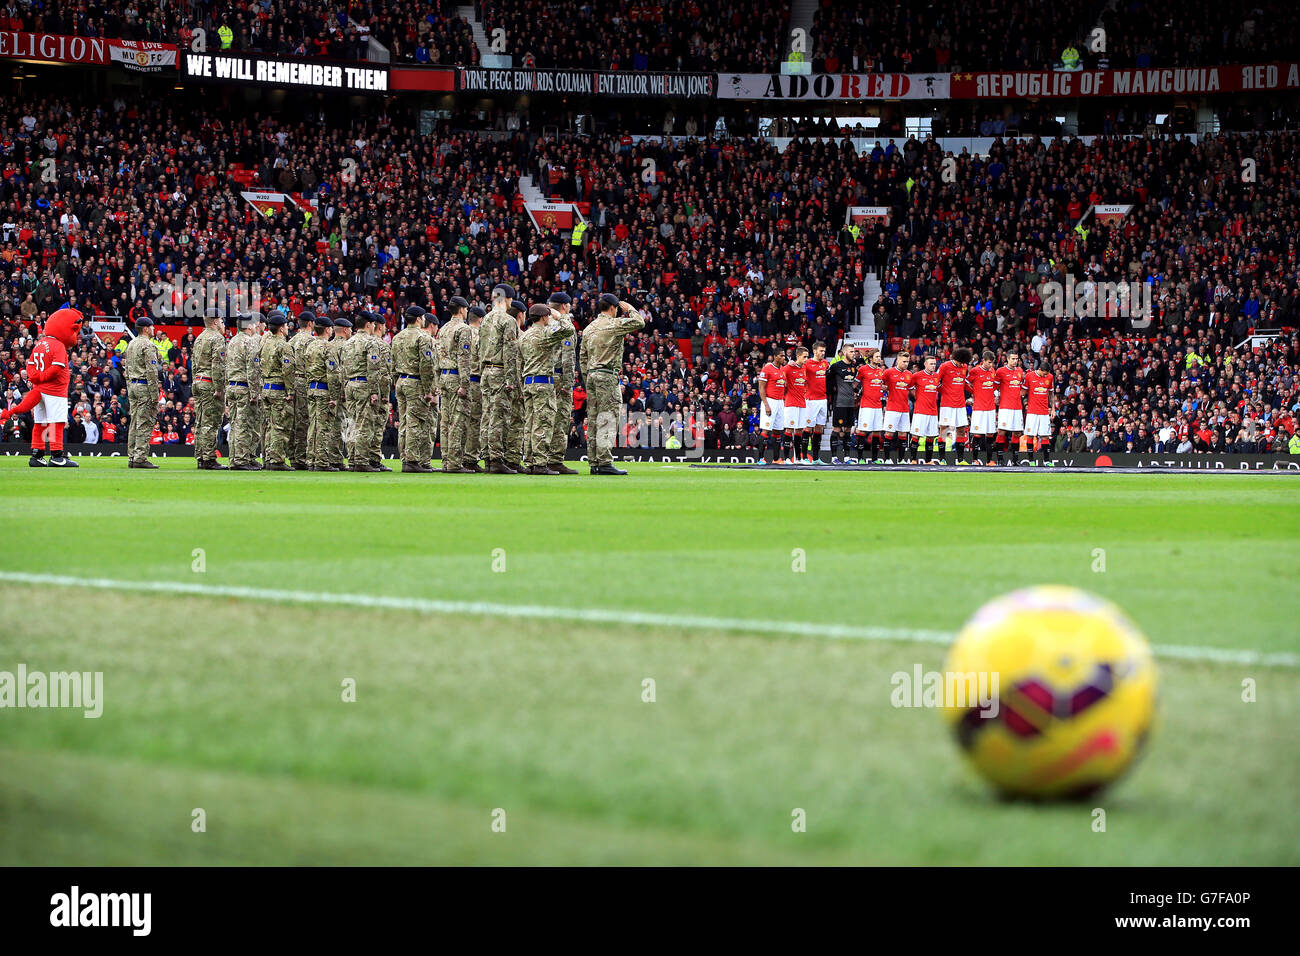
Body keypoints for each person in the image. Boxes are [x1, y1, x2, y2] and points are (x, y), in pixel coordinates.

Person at [0, 306, 83, 467]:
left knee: (40, 423)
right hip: (54, 391)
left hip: (39, 390)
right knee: (56, 422)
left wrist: (35, 378)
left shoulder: (40, 343)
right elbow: (57, 367)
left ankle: (37, 455)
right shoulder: (58, 345)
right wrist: (43, 377)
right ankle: (57, 456)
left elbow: (29, 365)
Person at [579, 293, 644, 475]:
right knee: (608, 417)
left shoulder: (589, 328)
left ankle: (594, 462)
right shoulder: (613, 324)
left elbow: (582, 357)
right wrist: (629, 308)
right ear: (614, 308)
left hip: (591, 376)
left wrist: (587, 379)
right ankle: (605, 462)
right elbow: (640, 322)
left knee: (593, 419)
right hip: (607, 375)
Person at [519, 303, 575, 474]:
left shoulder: (524, 336)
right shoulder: (545, 333)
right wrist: (560, 316)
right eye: (548, 316)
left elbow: (519, 362)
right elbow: (568, 330)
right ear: (544, 317)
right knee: (544, 422)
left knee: (530, 423)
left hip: (528, 382)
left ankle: (529, 461)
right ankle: (541, 463)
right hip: (543, 382)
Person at [478, 284, 522, 473]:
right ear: (508, 299)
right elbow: (510, 352)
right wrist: (511, 380)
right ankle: (496, 459)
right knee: (499, 416)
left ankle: (487, 457)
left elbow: (480, 347)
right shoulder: (508, 320)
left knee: (487, 414)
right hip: (500, 370)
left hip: (486, 370)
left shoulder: (485, 319)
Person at [392, 304, 434, 472]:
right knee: (415, 422)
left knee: (404, 421)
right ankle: (411, 460)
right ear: (418, 319)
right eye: (423, 317)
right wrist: (428, 389)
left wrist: (397, 380)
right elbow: (427, 365)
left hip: (401, 381)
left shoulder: (397, 337)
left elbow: (393, 363)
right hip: (415, 382)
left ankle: (404, 456)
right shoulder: (423, 337)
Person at [436, 296, 473, 473]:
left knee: (445, 421)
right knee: (458, 421)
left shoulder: (443, 329)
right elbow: (464, 358)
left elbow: (438, 356)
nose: (467, 312)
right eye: (466, 309)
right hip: (457, 377)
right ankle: (455, 463)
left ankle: (445, 460)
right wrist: (465, 384)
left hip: (444, 375)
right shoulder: (463, 329)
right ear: (461, 309)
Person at [544, 292, 579, 474]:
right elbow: (568, 356)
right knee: (560, 419)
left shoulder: (543, 323)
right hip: (559, 377)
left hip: (543, 376)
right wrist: (568, 383)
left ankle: (540, 457)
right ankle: (555, 459)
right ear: (564, 306)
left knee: (544, 417)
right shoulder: (565, 325)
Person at [122, 316, 163, 469]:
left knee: (134, 421)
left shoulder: (131, 344)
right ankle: (140, 457)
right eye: (152, 327)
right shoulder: (148, 345)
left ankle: (132, 456)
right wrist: (155, 395)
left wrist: (129, 386)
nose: (154, 329)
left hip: (132, 385)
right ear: (146, 329)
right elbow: (152, 372)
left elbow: (126, 369)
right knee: (145, 422)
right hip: (144, 386)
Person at [225, 311, 264, 470]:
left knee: (235, 423)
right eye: (254, 324)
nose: (256, 327)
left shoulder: (232, 341)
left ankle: (238, 457)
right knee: (244, 424)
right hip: (244, 387)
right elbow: (253, 370)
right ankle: (241, 460)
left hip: (232, 386)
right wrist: (255, 393)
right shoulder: (250, 343)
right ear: (249, 326)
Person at [258, 311, 296, 471]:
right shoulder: (284, 345)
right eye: (286, 326)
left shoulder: (265, 343)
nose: (288, 328)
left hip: (266, 387)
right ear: (281, 328)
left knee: (270, 425)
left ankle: (268, 458)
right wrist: (291, 391)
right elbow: (288, 370)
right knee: (280, 426)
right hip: (279, 389)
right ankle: (277, 460)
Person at [191, 308, 228, 470]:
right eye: (221, 320)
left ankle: (200, 456)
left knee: (200, 421)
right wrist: (219, 388)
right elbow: (218, 365)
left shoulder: (199, 338)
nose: (222, 323)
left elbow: (193, 364)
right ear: (215, 322)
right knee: (211, 422)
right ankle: (209, 458)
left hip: (198, 381)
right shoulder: (217, 338)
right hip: (209, 382)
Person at [303, 312, 337, 471]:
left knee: (313, 425)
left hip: (311, 388)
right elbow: (332, 372)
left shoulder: (310, 345)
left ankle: (311, 459)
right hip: (324, 390)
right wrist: (335, 396)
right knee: (323, 426)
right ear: (328, 329)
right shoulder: (329, 346)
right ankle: (322, 461)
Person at [936, 346, 973, 463]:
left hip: (961, 404)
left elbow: (963, 383)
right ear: (955, 358)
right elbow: (935, 381)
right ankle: (942, 458)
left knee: (961, 430)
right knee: (944, 430)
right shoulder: (944, 366)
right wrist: (945, 391)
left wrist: (975, 392)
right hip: (947, 404)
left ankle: (961, 459)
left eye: (963, 363)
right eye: (960, 362)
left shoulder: (964, 366)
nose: (961, 365)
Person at [288, 311, 315, 469]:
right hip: (305, 381)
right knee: (305, 420)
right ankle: (301, 456)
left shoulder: (291, 340)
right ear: (310, 324)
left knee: (293, 420)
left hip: (292, 381)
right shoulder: (311, 341)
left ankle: (293, 455)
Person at [325, 318, 352, 470]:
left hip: (327, 389)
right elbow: (342, 371)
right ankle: (336, 458)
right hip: (341, 391)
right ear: (345, 329)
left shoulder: (328, 345)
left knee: (331, 424)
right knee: (340, 424)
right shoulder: (346, 346)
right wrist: (340, 392)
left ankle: (331, 456)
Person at [463, 305, 486, 472]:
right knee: (475, 422)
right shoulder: (480, 335)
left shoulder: (461, 332)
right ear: (481, 319)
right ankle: (470, 457)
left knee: (459, 420)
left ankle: (456, 456)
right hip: (476, 380)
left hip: (460, 381)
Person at [854, 347, 887, 463]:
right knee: (862, 431)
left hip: (878, 406)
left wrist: (884, 388)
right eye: (877, 356)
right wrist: (854, 394)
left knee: (877, 431)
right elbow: (855, 384)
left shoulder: (880, 371)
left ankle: (874, 459)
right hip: (866, 405)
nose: (879, 359)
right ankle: (860, 458)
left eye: (880, 357)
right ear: (871, 358)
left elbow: (879, 385)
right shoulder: (863, 369)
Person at [993, 351, 1026, 466]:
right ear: (1007, 359)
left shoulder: (1020, 371)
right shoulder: (1000, 371)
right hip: (1005, 407)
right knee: (1002, 431)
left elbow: (1022, 387)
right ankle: (1000, 459)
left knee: (1017, 433)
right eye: (1013, 359)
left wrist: (1021, 394)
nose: (1015, 361)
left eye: (1016, 359)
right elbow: (994, 386)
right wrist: (996, 396)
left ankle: (1015, 460)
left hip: (1017, 407)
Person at [881, 352, 913, 464]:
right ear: (898, 360)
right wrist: (883, 388)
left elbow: (912, 389)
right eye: (904, 361)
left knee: (903, 434)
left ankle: (901, 460)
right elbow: (879, 382)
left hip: (904, 408)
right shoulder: (889, 372)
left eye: (907, 362)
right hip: (892, 408)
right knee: (889, 434)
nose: (906, 364)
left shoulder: (909, 374)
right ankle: (887, 459)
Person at [909, 355, 941, 463]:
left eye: (934, 364)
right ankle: (913, 459)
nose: (933, 366)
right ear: (925, 364)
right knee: (916, 436)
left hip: (933, 411)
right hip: (920, 411)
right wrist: (916, 396)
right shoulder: (917, 375)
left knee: (931, 437)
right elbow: (909, 386)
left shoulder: (937, 376)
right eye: (931, 364)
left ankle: (928, 460)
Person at [968, 349, 999, 465]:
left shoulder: (992, 371)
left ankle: (988, 460)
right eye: (989, 362)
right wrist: (974, 392)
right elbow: (966, 382)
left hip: (990, 408)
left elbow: (993, 385)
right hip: (979, 408)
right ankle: (974, 460)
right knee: (977, 434)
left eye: (992, 363)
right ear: (983, 361)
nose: (991, 365)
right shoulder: (975, 371)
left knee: (990, 434)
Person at [756, 349, 787, 464]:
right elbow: (761, 388)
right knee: (766, 430)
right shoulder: (767, 368)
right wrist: (766, 405)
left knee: (778, 431)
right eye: (781, 356)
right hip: (769, 401)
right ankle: (760, 458)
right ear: (775, 357)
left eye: (784, 356)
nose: (784, 358)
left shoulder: (782, 370)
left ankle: (776, 459)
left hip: (780, 402)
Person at [1024, 357, 1056, 466]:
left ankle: (1046, 461)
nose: (1046, 376)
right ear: (1040, 370)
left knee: (1045, 436)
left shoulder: (1050, 377)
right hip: (1032, 411)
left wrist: (1053, 409)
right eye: (1044, 374)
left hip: (1044, 412)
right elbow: (1023, 391)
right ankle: (1031, 460)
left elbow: (1051, 394)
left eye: (1047, 374)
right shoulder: (1029, 376)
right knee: (1030, 435)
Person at [803, 341, 830, 463]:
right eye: (821, 351)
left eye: (824, 351)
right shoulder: (807, 363)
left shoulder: (825, 363)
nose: (823, 353)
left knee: (819, 428)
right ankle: (803, 457)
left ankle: (815, 457)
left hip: (823, 399)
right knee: (808, 428)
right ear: (814, 351)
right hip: (811, 400)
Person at [783, 346, 810, 463]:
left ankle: (798, 458)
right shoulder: (788, 368)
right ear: (798, 356)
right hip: (791, 403)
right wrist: (788, 364)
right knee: (789, 430)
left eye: (807, 357)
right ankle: (787, 458)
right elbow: (778, 373)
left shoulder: (804, 368)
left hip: (802, 403)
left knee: (799, 431)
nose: (806, 359)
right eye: (804, 357)